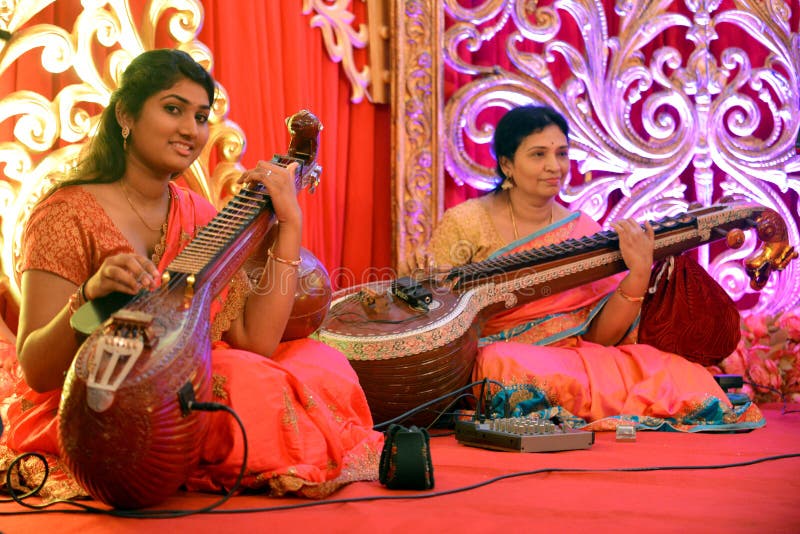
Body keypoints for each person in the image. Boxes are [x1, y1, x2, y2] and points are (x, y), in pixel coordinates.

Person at [0, 49, 382, 501]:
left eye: (201, 116)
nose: (191, 130)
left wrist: (289, 223)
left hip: (183, 376)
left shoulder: (197, 212)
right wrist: (91, 299)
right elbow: (38, 369)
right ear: (126, 114)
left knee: (320, 363)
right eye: (173, 109)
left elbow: (254, 340)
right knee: (245, 383)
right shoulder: (66, 214)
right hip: (94, 391)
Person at [429, 105, 764, 432]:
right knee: (500, 364)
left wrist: (638, 272)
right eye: (538, 154)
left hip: (573, 357)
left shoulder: (583, 230)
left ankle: (576, 403)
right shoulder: (467, 222)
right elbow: (433, 307)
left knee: (679, 374)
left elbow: (600, 337)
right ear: (507, 164)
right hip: (499, 355)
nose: (554, 166)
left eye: (561, 153)